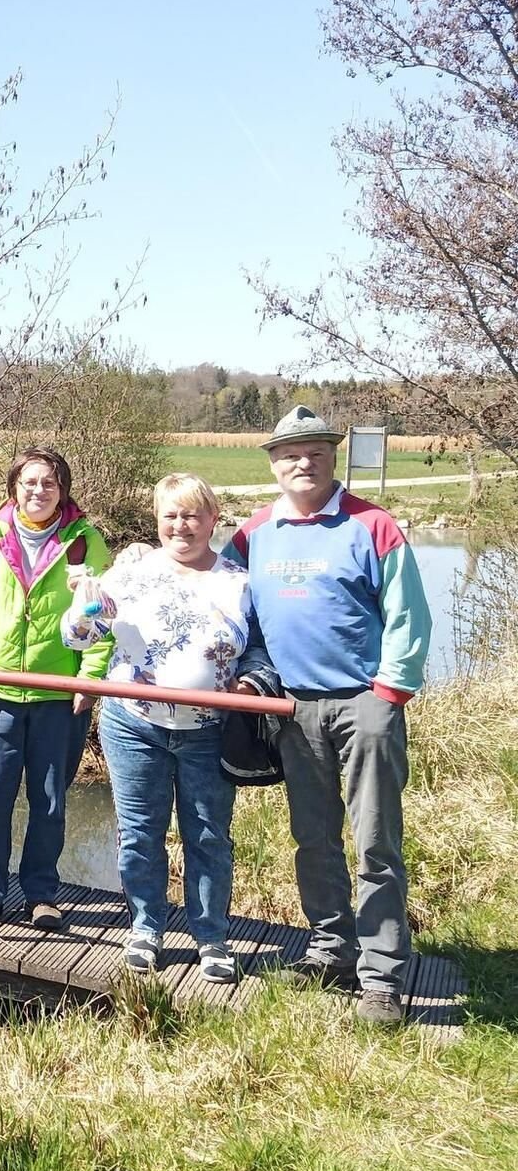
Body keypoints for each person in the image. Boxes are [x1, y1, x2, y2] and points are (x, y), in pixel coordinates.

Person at [224, 405, 431, 1026]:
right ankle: (332, 948)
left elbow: (407, 615)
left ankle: (382, 977)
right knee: (313, 839)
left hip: (364, 703)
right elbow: (237, 618)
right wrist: (252, 675)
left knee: (374, 842)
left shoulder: (373, 525)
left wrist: (390, 692)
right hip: (292, 708)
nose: (302, 462)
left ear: (332, 456)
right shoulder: (252, 534)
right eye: (289, 454)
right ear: (273, 464)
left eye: (314, 451)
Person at [63, 473, 269, 982]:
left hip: (209, 732)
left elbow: (263, 652)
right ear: (158, 520)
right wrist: (84, 607)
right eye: (170, 515)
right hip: (134, 726)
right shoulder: (130, 574)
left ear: (213, 520)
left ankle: (212, 937)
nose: (181, 525)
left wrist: (251, 685)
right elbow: (78, 638)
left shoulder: (238, 583)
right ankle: (146, 928)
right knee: (139, 834)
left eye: (192, 515)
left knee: (208, 836)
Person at [0, 446, 111, 930]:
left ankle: (41, 894)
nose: (38, 491)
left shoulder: (84, 541)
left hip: (58, 694)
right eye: (29, 482)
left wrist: (90, 678)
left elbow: (104, 616)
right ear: (13, 488)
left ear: (64, 490)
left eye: (49, 484)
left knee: (50, 801)